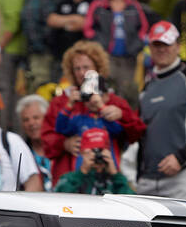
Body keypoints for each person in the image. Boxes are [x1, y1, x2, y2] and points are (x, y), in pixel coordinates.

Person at [42, 40, 145, 184]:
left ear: (98, 68)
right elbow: (46, 140)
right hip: (69, 182)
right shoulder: (61, 102)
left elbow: (137, 132)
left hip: (106, 179)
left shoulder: (113, 101)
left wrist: (122, 115)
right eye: (76, 68)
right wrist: (64, 143)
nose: (81, 73)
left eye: (86, 67)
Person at [136, 21, 186, 198]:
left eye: (166, 44)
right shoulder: (147, 86)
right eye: (156, 45)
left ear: (178, 47)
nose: (161, 49)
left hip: (183, 179)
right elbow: (140, 134)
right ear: (150, 47)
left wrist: (181, 158)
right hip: (148, 181)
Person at [84, 0, 149, 102]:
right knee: (105, 90)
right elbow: (88, 28)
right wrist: (99, 45)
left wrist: (136, 47)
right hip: (106, 56)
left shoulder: (133, 6)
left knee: (128, 91)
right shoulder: (98, 5)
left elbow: (143, 28)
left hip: (129, 57)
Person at [54, 128, 136, 195]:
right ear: (82, 153)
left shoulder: (116, 180)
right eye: (93, 150)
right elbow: (59, 199)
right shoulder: (71, 178)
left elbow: (130, 201)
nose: (97, 155)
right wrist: (82, 172)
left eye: (100, 150)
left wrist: (115, 174)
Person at [46, 0, 98, 67]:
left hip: (86, 58)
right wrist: (74, 19)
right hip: (62, 56)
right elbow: (51, 20)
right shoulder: (64, 0)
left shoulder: (95, 0)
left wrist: (63, 21)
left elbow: (85, 23)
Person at [23, 0, 64, 89]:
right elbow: (30, 27)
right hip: (41, 54)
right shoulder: (35, 0)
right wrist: (41, 46)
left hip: (62, 54)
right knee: (40, 87)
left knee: (61, 89)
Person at [17, 93, 53, 188]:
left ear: (47, 118)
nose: (31, 123)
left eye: (36, 118)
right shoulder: (20, 152)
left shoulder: (61, 148)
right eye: (26, 120)